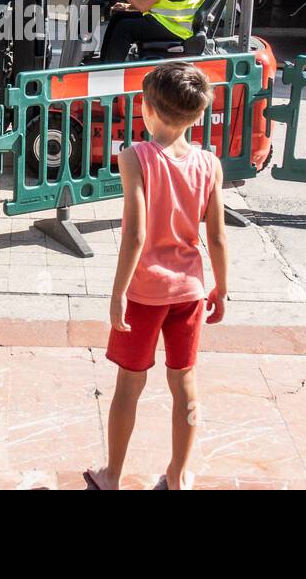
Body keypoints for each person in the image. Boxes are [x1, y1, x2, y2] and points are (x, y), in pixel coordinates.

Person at [84, 62, 227, 491]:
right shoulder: (209, 164)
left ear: (146, 110)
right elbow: (216, 236)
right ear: (198, 115)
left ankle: (111, 475)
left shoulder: (135, 158)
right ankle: (180, 475)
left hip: (145, 291)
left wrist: (117, 293)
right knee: (184, 381)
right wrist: (221, 286)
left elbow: (135, 232)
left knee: (130, 384)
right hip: (190, 291)